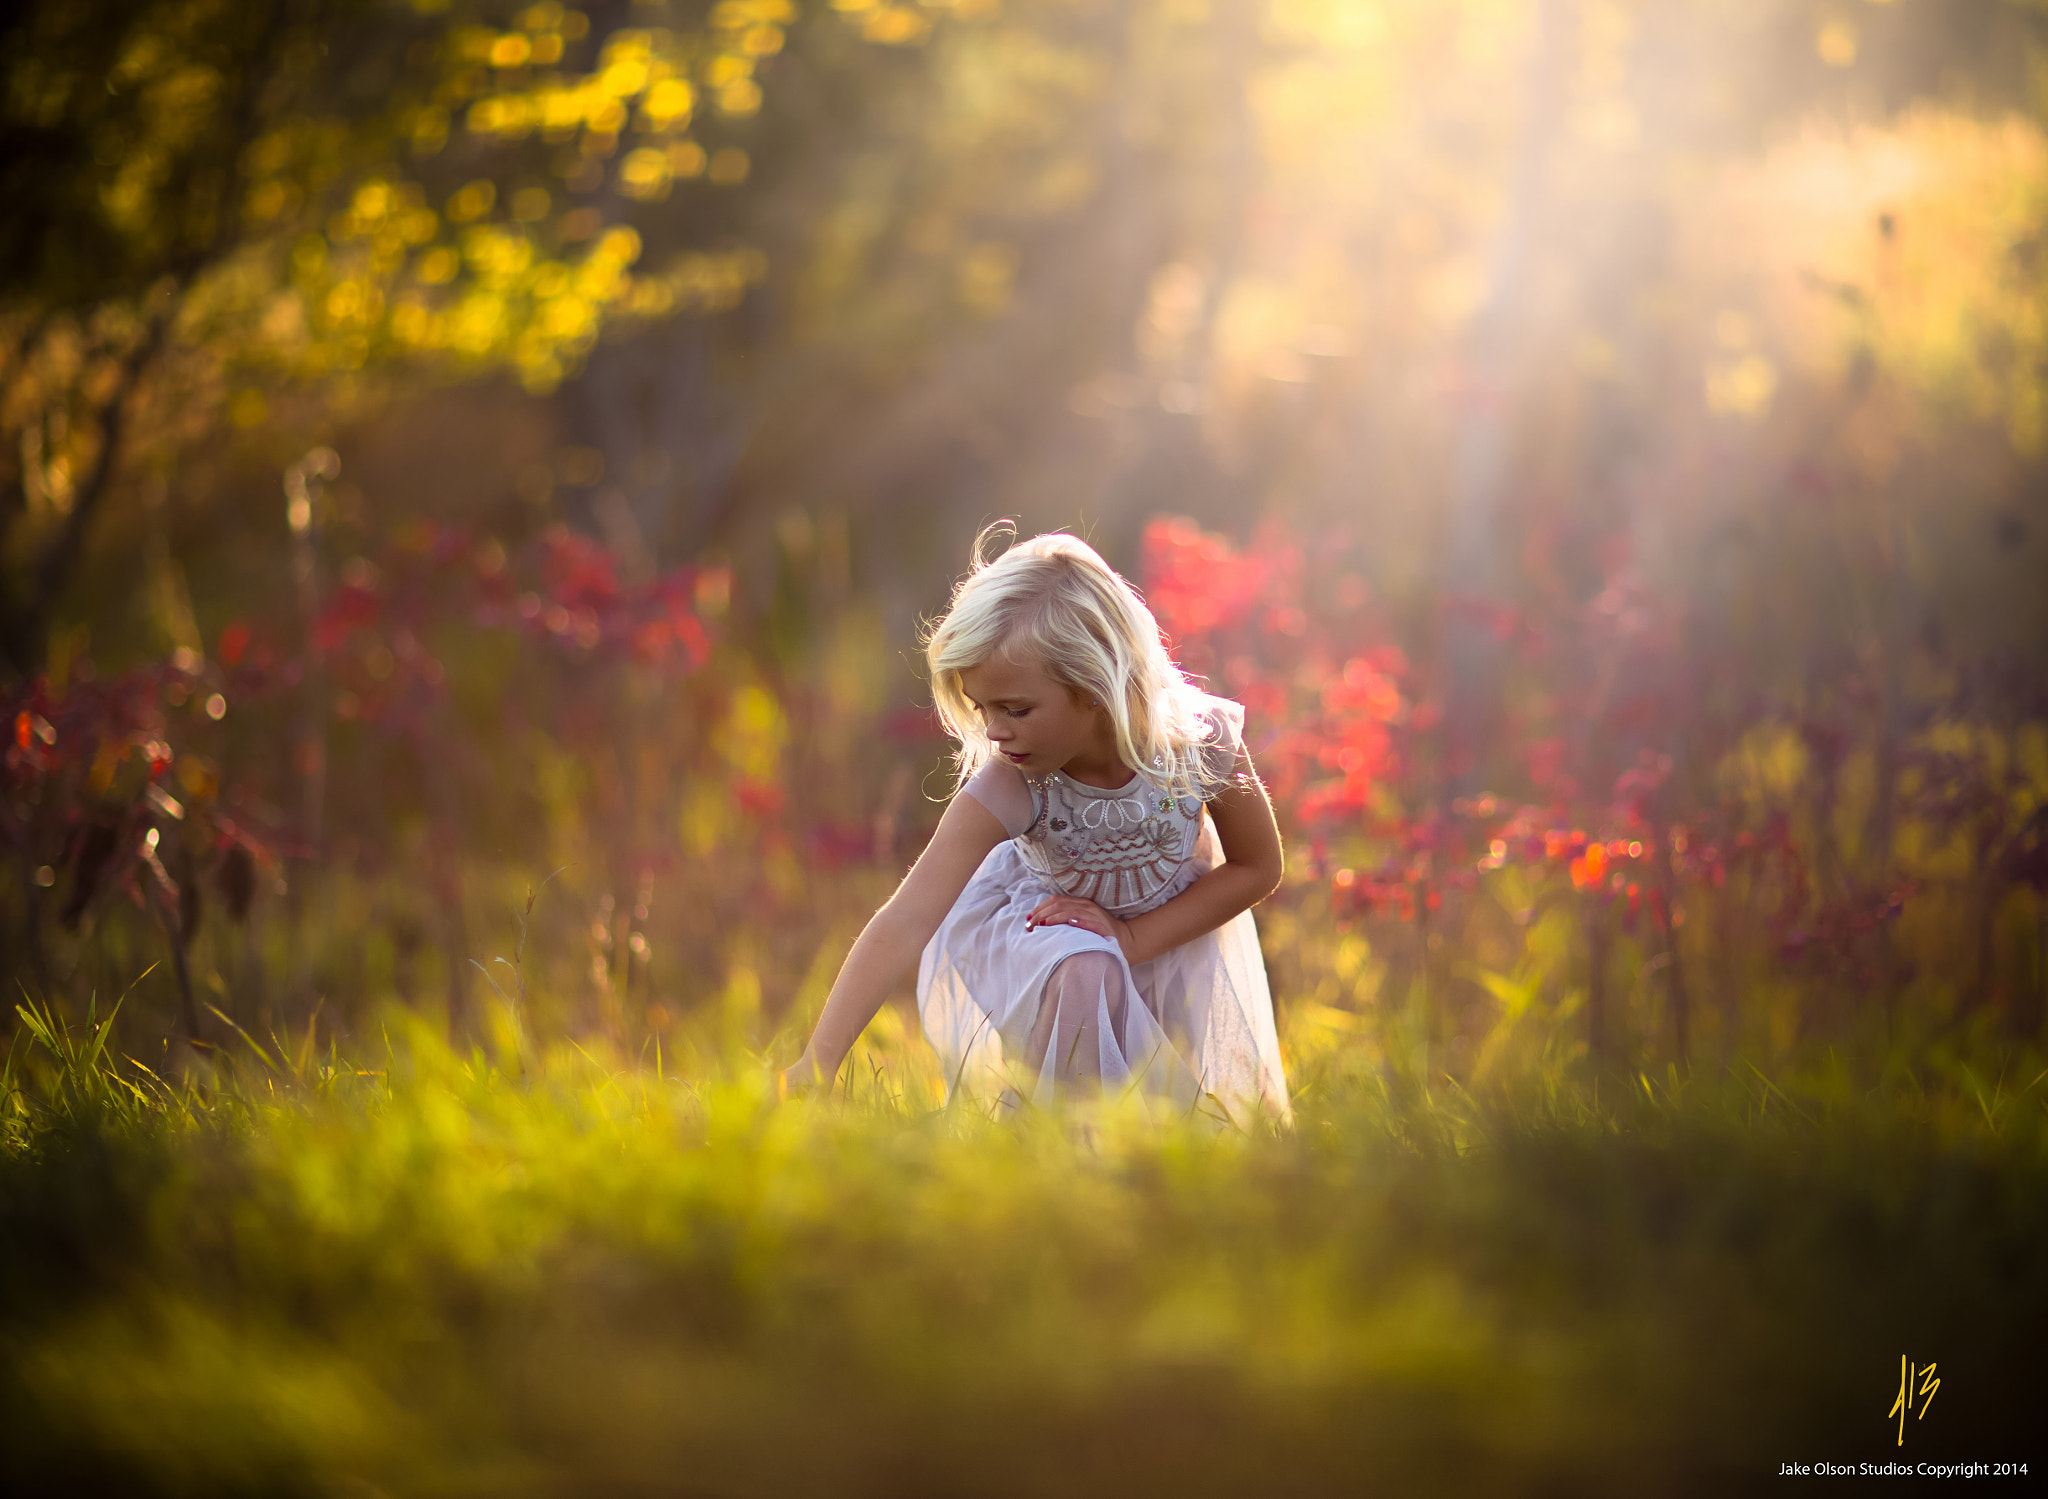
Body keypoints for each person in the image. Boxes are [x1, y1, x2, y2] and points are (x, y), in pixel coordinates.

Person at [780, 525, 1293, 1129]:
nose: (995, 731)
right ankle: (1056, 1159)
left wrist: (1133, 940)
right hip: (1045, 949)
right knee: (1087, 964)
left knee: (1163, 1126)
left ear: (1095, 686)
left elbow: (1260, 867)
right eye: (982, 709)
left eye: (1016, 709)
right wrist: (816, 1061)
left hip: (1169, 941)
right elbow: (906, 917)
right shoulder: (1011, 783)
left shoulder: (1198, 746)